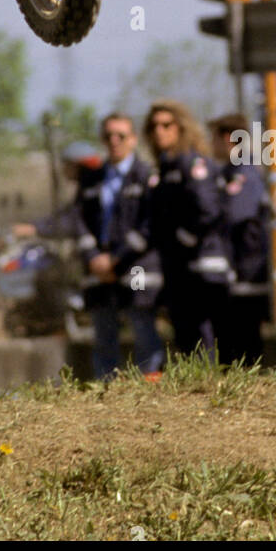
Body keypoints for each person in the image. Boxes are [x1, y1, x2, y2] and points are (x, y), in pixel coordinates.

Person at [74, 114, 165, 379]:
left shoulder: (148, 175)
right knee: (103, 330)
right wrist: (94, 257)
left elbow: (151, 224)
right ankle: (105, 389)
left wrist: (116, 259)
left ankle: (149, 385)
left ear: (133, 140)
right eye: (108, 136)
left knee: (142, 326)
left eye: (121, 135)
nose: (114, 141)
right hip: (99, 268)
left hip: (136, 268)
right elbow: (79, 219)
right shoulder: (91, 178)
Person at [145, 100, 233, 362]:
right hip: (177, 266)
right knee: (185, 333)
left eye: (166, 125)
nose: (159, 131)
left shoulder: (193, 164)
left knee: (204, 333)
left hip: (200, 265)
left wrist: (185, 239)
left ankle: (212, 388)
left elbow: (209, 210)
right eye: (153, 126)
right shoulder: (165, 168)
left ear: (181, 128)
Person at [209, 113, 271, 365]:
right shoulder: (230, 172)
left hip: (246, 271)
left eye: (213, 138)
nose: (210, 144)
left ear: (227, 139)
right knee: (229, 341)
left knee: (245, 342)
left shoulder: (244, 175)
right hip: (236, 269)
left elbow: (234, 216)